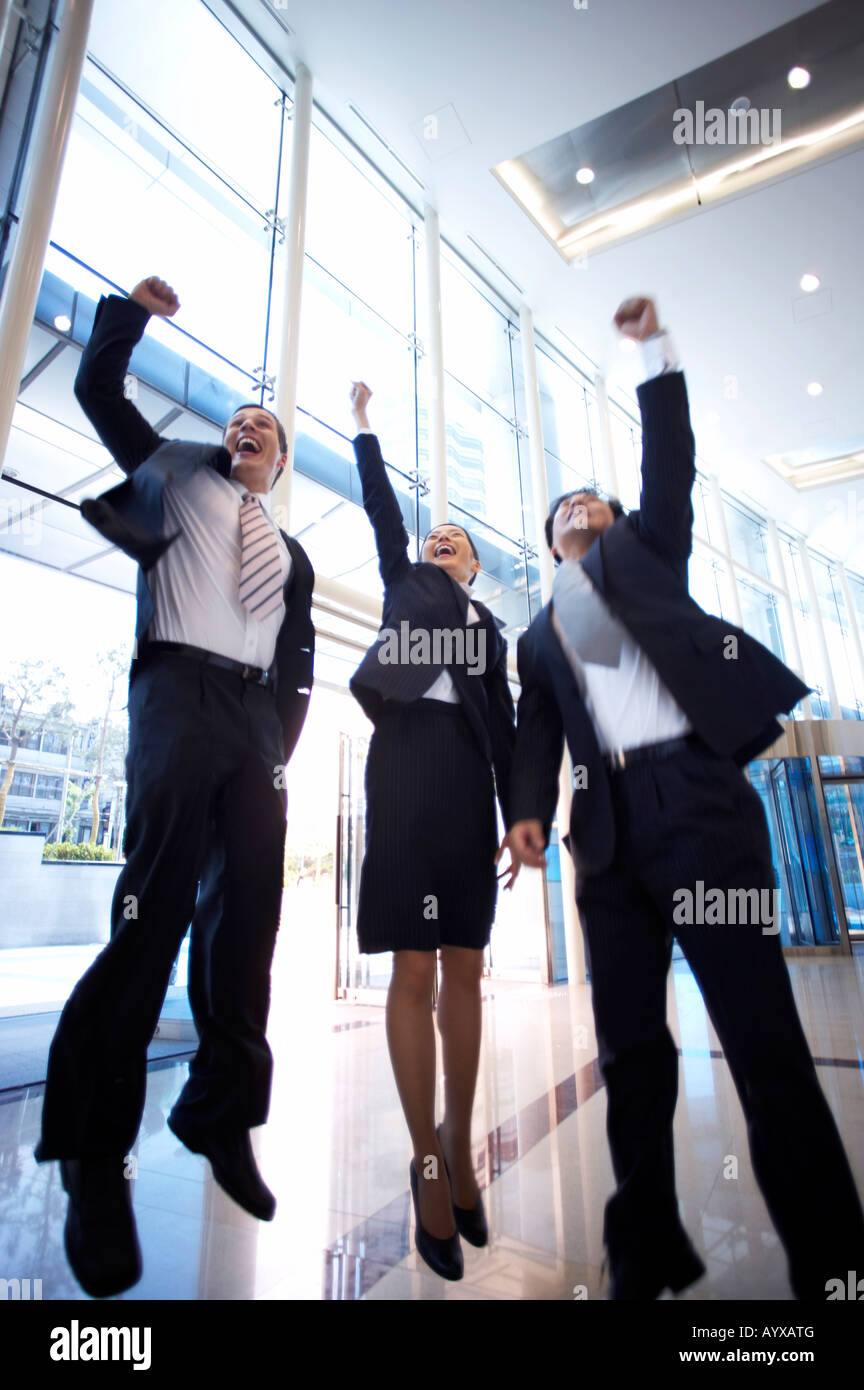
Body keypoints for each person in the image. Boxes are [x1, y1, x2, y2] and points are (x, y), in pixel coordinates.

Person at [506, 295, 864, 1301]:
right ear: (548, 540)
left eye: (592, 499)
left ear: (616, 522)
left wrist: (656, 356)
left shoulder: (648, 551)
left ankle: (836, 1268)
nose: (579, 506)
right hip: (607, 836)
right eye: (563, 506)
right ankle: (645, 1249)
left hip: (697, 803)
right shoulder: (536, 636)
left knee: (759, 1038)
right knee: (629, 1051)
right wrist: (527, 811)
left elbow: (670, 466)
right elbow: (536, 735)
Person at [34, 276, 315, 1298]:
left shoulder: (292, 550)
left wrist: (277, 745)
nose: (246, 428)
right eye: (236, 420)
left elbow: (301, 660)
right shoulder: (171, 472)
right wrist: (131, 313)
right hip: (176, 695)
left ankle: (222, 1112)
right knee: (150, 914)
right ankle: (91, 1154)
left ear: (278, 461)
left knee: (249, 924)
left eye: (263, 426)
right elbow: (98, 389)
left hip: (252, 722)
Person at [348, 381, 518, 1280]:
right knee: (416, 963)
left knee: (468, 965)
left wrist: (523, 809)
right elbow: (383, 508)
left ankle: (459, 1139)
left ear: (476, 569)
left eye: (459, 541)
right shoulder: (405, 580)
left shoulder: (488, 628)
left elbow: (509, 724)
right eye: (435, 535)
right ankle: (425, 1162)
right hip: (408, 766)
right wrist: (367, 425)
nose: (441, 540)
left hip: (467, 778)